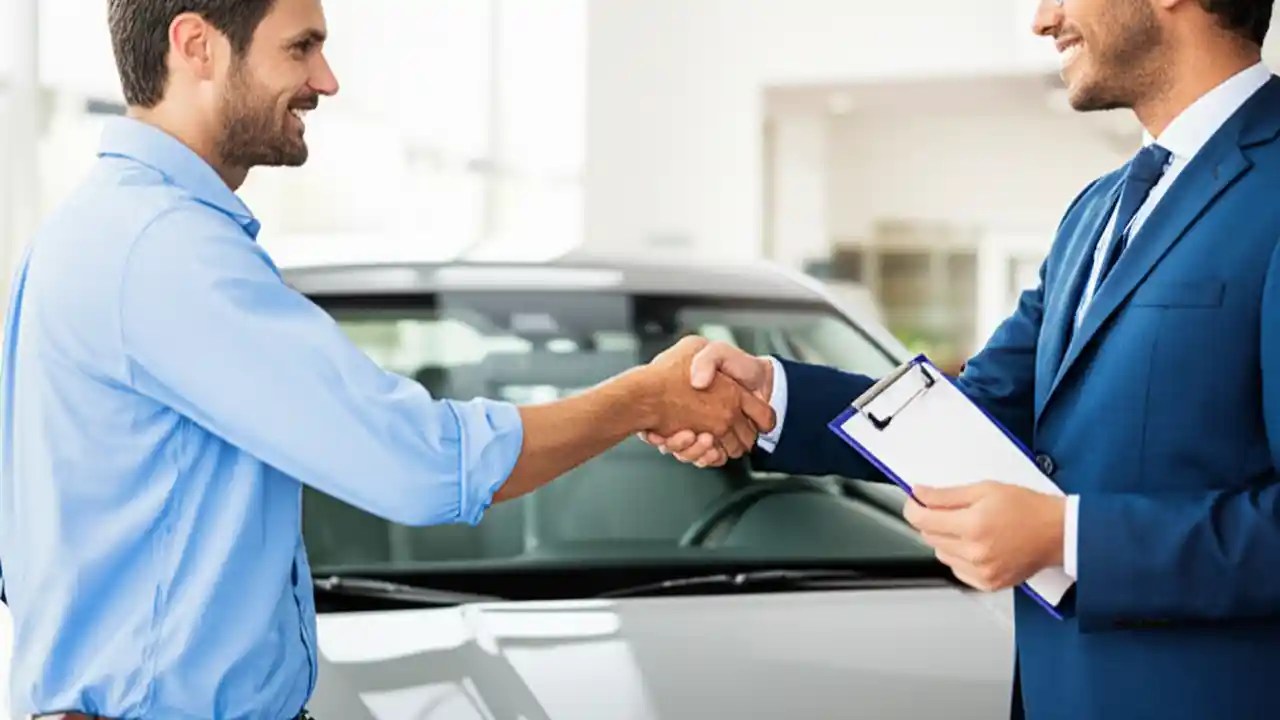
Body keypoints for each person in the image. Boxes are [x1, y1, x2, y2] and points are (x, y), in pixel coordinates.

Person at [0, 1, 773, 718]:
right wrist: (645, 397)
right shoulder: (165, 251)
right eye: (301, 47)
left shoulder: (90, 232)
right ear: (196, 45)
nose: (325, 81)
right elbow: (424, 465)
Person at [646, 0, 1280, 717]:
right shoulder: (1097, 211)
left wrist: (1068, 537)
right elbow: (976, 407)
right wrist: (769, 396)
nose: (1043, 20)